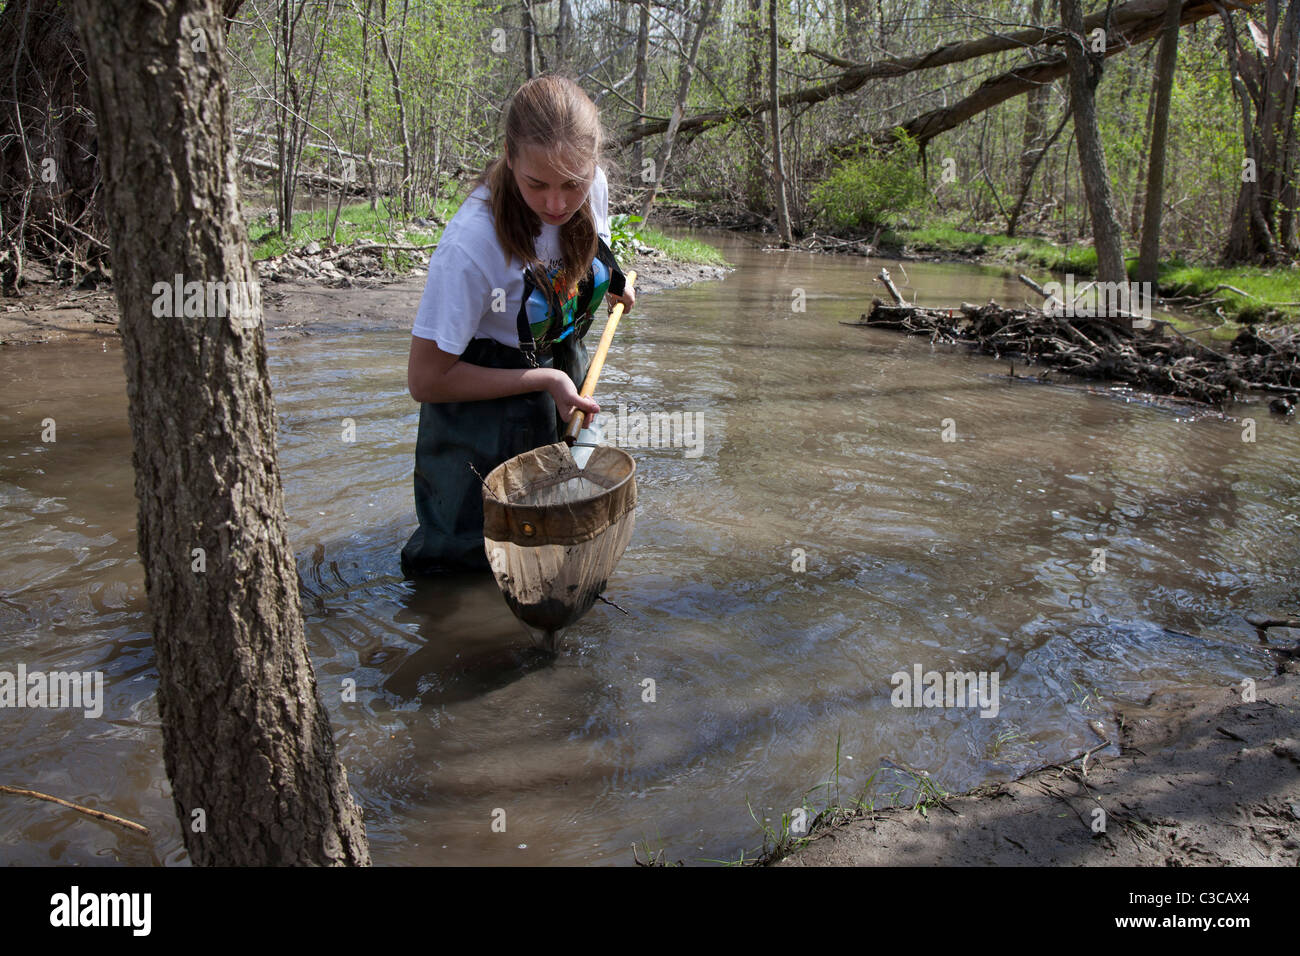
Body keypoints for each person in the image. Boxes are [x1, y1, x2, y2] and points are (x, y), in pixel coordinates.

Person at [401, 75, 634, 577]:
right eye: (537, 185)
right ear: (510, 156)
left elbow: (581, 247)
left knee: (547, 534)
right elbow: (424, 380)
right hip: (474, 401)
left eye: (572, 184)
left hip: (556, 370)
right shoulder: (471, 246)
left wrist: (609, 282)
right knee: (470, 555)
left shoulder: (590, 187)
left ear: (592, 165)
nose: (556, 204)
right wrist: (547, 380)